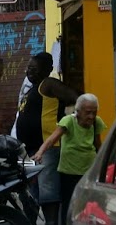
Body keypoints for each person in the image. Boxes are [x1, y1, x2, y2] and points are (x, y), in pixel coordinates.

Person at [34, 93, 106, 224]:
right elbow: (52, 139)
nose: (91, 116)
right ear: (78, 111)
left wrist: (103, 163)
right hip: (69, 173)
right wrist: (40, 152)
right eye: (88, 112)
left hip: (88, 173)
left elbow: (98, 145)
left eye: (94, 112)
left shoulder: (96, 122)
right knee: (69, 207)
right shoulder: (68, 121)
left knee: (89, 206)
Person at [14, 54, 58, 225]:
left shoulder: (49, 84)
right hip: (29, 149)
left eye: (34, 69)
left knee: (47, 193)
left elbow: (75, 97)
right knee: (31, 191)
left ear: (47, 70)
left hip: (44, 148)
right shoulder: (32, 88)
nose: (29, 72)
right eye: (28, 68)